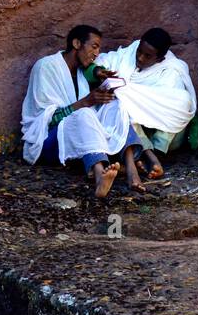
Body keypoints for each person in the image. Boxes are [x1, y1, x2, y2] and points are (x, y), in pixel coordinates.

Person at [21, 24, 146, 198]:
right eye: (94, 47)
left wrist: (102, 95)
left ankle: (132, 170)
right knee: (84, 113)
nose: (97, 53)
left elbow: (87, 108)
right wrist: (87, 101)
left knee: (115, 106)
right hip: (46, 142)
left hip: (76, 135)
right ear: (77, 43)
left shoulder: (81, 73)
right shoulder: (45, 67)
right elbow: (48, 120)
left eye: (99, 48)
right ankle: (99, 176)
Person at [92, 27, 196, 183]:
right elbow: (103, 60)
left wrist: (129, 95)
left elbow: (176, 110)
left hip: (166, 135)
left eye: (147, 56)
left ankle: (154, 157)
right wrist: (99, 71)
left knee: (182, 101)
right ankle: (148, 158)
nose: (140, 58)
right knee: (121, 104)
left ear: (160, 59)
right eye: (139, 51)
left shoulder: (171, 72)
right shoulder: (129, 53)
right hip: (133, 131)